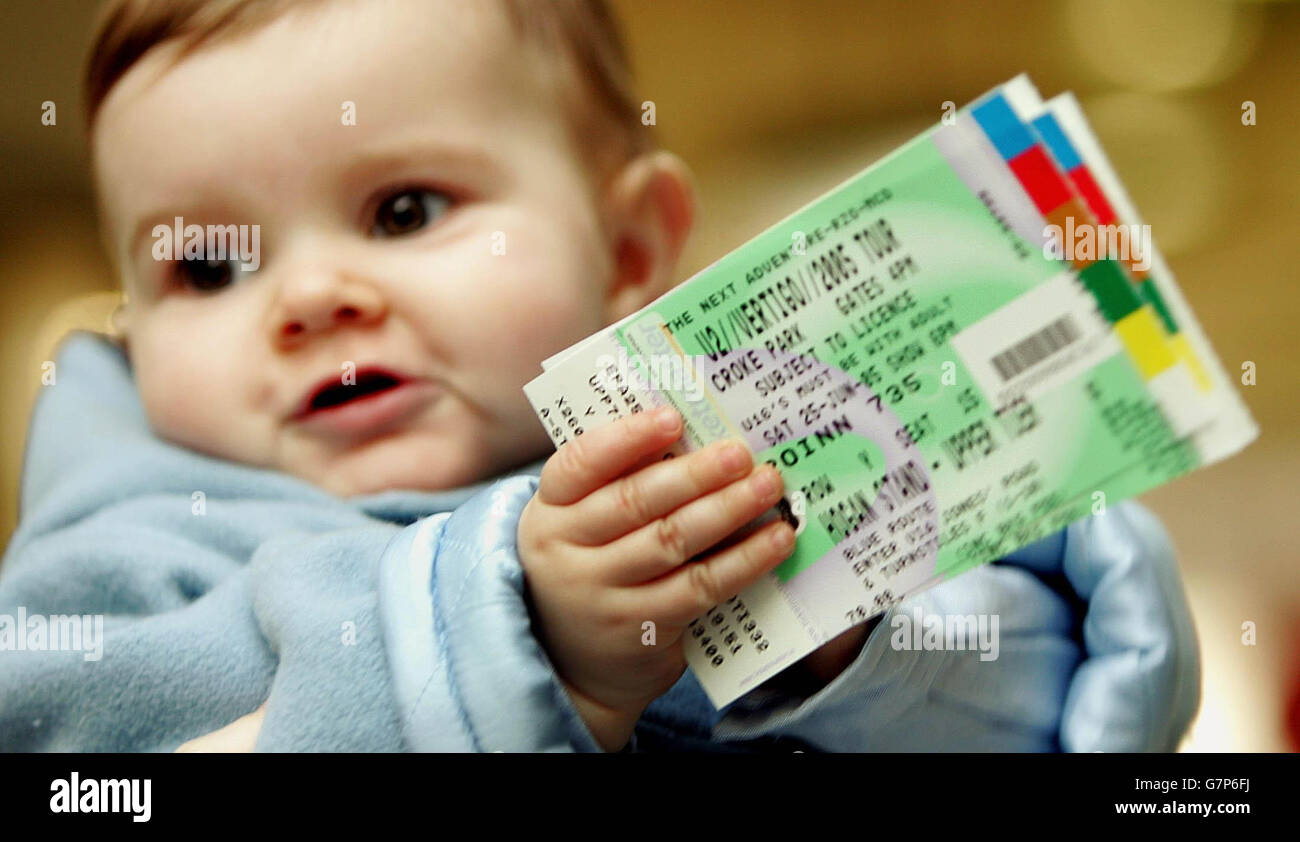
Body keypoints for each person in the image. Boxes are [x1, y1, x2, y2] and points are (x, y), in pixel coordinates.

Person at [0, 0, 1200, 752]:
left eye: (403, 208)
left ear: (626, 251)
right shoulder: (126, 568)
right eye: (207, 268)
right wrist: (520, 644)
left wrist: (831, 643)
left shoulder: (764, 462)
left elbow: (1055, 700)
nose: (309, 298)